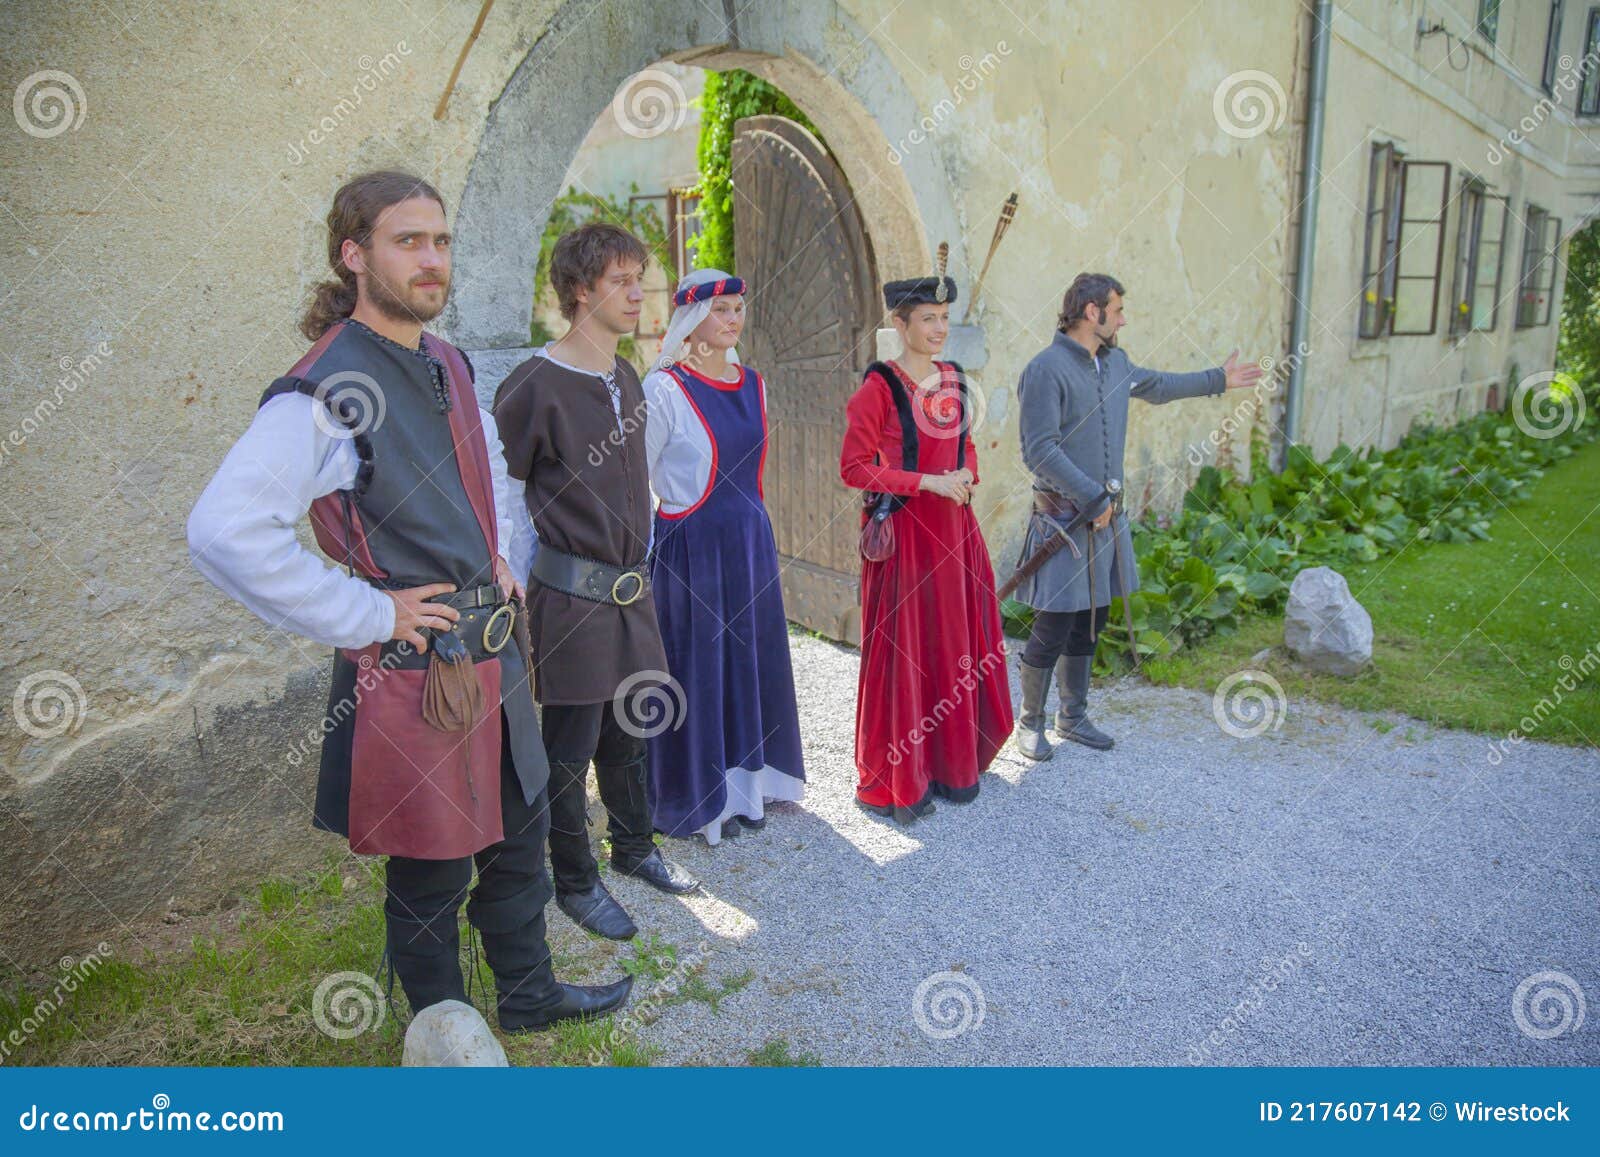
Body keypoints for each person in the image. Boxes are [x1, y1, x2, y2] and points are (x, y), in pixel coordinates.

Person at [186, 170, 630, 1031]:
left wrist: (499, 554)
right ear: (354, 256)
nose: (432, 260)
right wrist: (370, 615)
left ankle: (529, 997)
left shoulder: (446, 359)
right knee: (433, 865)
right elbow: (223, 530)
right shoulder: (326, 386)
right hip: (421, 665)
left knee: (518, 832)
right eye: (407, 241)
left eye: (441, 240)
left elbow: (486, 476)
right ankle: (444, 1033)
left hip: (493, 647)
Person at [493, 222, 699, 943]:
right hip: (571, 595)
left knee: (631, 730)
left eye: (638, 277)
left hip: (629, 590)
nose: (636, 291)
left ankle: (636, 847)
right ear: (580, 290)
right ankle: (574, 880)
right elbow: (502, 486)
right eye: (620, 280)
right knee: (568, 747)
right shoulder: (534, 384)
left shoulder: (626, 375)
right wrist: (507, 573)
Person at [1012, 272, 1263, 759]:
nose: (1123, 318)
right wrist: (1093, 497)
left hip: (1105, 521)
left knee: (1093, 617)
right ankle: (1030, 721)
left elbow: (1160, 385)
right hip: (1064, 521)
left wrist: (1220, 380)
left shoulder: (1115, 363)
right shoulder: (1045, 369)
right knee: (1055, 622)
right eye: (1118, 310)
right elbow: (1039, 450)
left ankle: (1073, 716)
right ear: (1092, 312)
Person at [839, 275, 1013, 825]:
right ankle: (900, 774)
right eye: (927, 319)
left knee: (955, 646)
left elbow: (967, 446)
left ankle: (953, 765)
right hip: (907, 539)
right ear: (900, 324)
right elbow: (854, 467)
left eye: (944, 318)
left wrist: (966, 473)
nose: (939, 329)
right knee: (909, 652)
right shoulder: (878, 389)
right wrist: (925, 482)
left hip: (955, 535)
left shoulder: (954, 379)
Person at [641, 269, 805, 845]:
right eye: (722, 310)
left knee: (748, 661)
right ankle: (700, 795)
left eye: (739, 307)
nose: (734, 319)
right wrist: (640, 564)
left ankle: (750, 788)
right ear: (692, 320)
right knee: (699, 671)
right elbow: (639, 481)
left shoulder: (755, 384)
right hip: (692, 549)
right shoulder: (663, 390)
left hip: (749, 543)